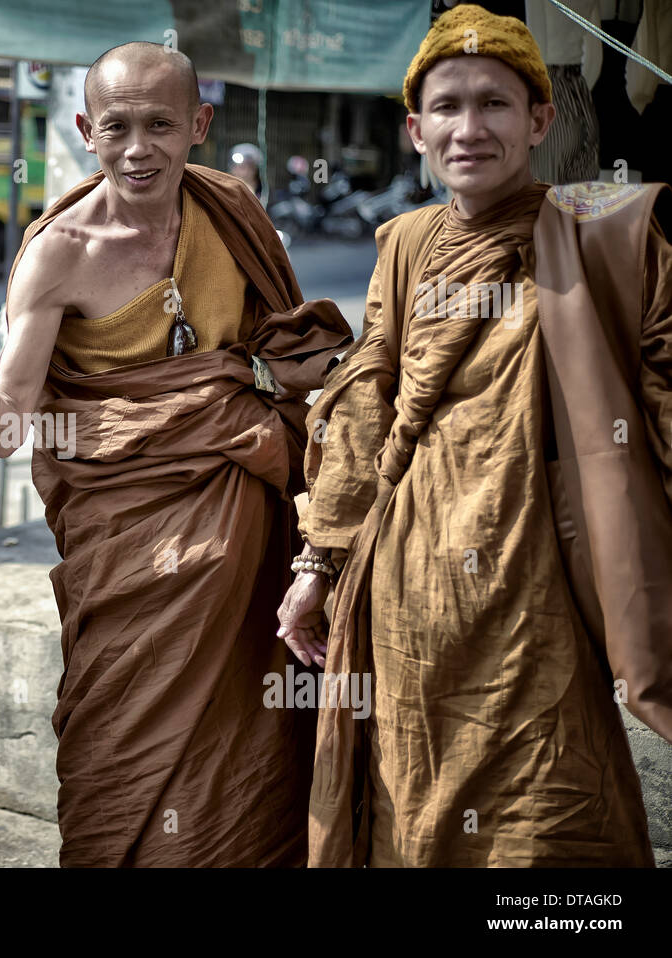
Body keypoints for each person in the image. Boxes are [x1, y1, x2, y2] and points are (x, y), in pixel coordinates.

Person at [0, 41, 351, 866]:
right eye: (117, 126)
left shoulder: (234, 212)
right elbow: (5, 428)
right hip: (122, 548)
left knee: (253, 742)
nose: (139, 148)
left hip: (242, 530)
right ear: (88, 131)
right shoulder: (62, 252)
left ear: (198, 124)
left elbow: (287, 348)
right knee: (119, 741)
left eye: (161, 124)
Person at [278, 4, 672, 866]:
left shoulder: (600, 226)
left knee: (546, 813)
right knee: (413, 805)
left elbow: (662, 379)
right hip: (408, 581)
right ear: (415, 131)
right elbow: (361, 400)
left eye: (494, 104)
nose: (470, 128)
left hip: (537, 580)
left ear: (540, 120)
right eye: (447, 108)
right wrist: (316, 564)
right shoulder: (405, 241)